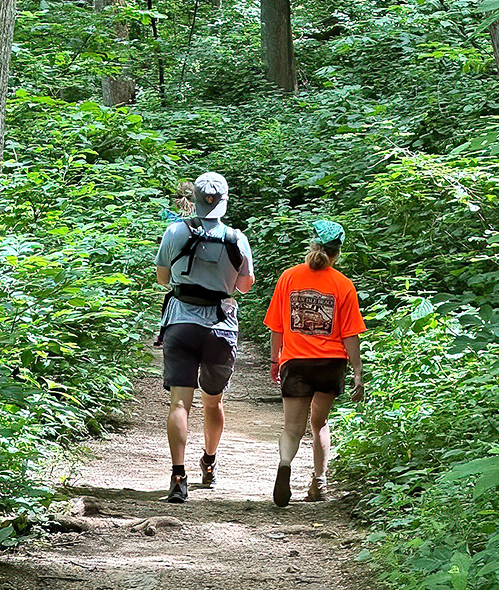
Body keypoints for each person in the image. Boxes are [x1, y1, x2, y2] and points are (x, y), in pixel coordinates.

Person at [155, 172, 254, 503]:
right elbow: (244, 285)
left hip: (180, 324)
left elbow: (162, 278)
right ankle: (209, 463)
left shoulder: (174, 231)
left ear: (194, 200)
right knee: (213, 402)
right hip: (220, 328)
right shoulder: (236, 239)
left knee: (179, 402)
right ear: (224, 202)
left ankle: (178, 476)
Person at [263, 220, 365, 507]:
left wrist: (275, 359)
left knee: (292, 428)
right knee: (319, 423)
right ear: (337, 252)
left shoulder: (289, 277)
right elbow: (350, 334)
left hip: (296, 362)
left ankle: (285, 463)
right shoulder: (343, 285)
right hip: (331, 364)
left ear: (313, 245)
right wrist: (357, 372)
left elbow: (276, 326)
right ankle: (319, 482)